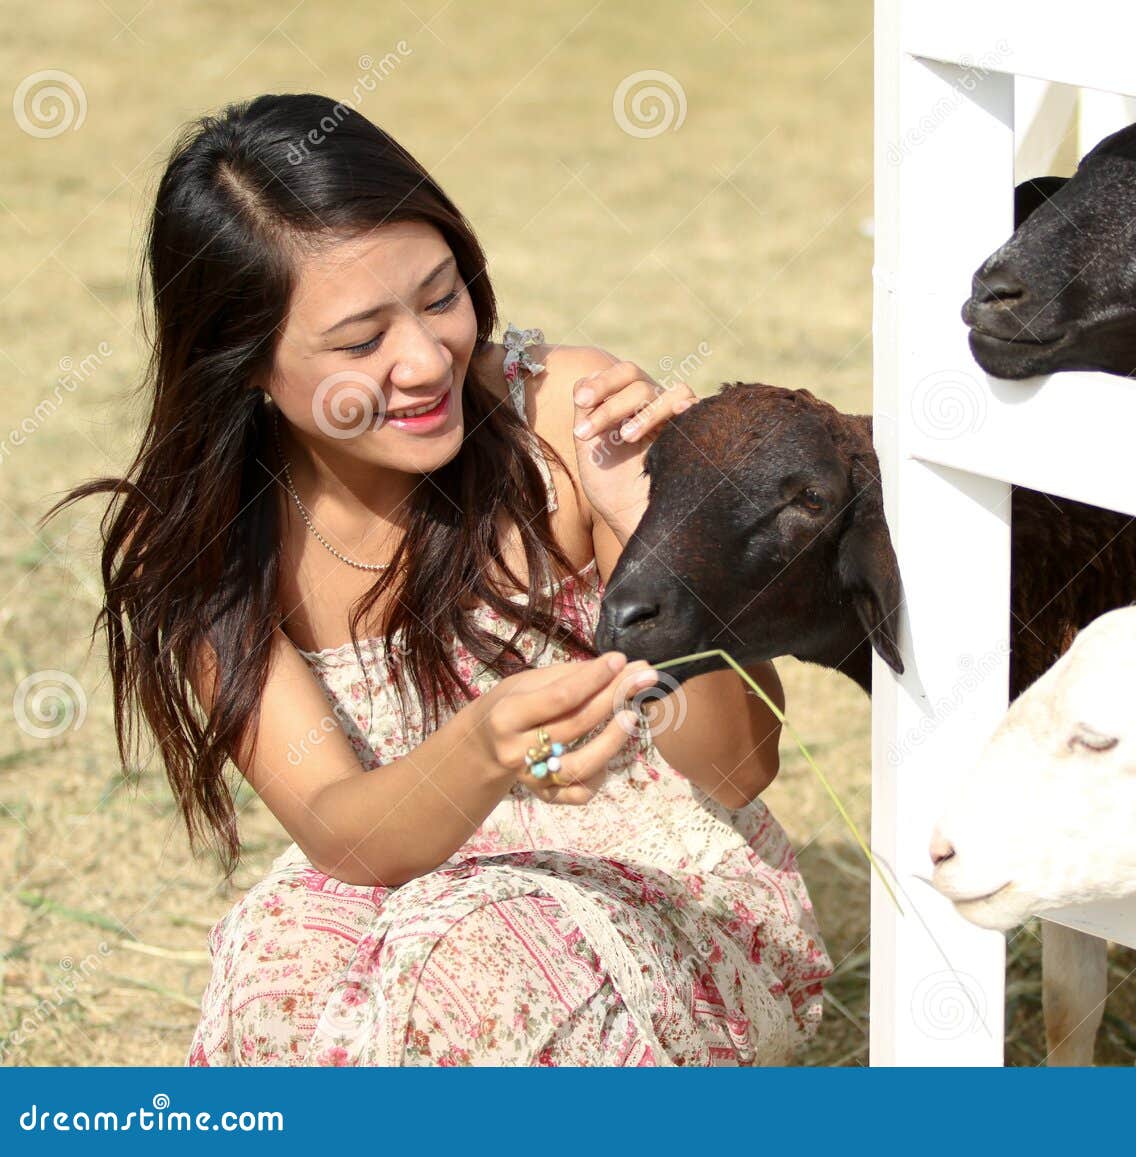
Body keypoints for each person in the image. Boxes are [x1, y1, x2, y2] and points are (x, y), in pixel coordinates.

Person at [48, 93, 831, 1066]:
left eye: (438, 296)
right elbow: (346, 834)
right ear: (245, 363)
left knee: (468, 964)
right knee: (276, 967)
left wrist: (659, 527)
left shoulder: (566, 416)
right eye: (359, 341)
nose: (424, 361)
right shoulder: (217, 559)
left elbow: (736, 767)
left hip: (665, 896)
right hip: (399, 890)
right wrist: (482, 745)